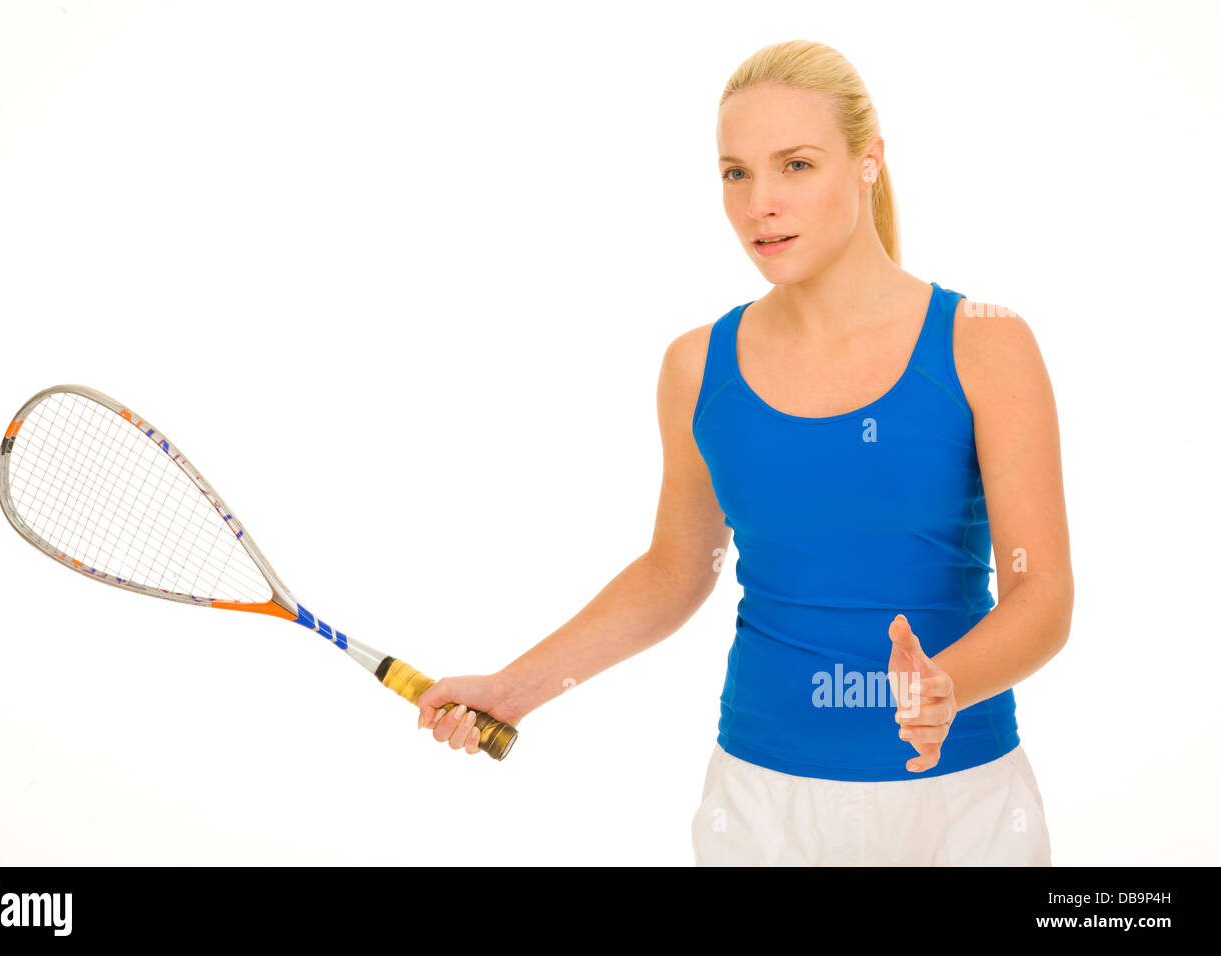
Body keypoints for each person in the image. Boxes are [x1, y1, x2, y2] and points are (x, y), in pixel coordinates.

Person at [414, 39, 1073, 866]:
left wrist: (948, 685)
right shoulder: (697, 367)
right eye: (735, 173)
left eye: (795, 165)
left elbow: (1041, 590)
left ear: (869, 162)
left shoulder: (984, 343)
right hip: (760, 808)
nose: (760, 202)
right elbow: (677, 570)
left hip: (963, 804)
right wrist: (512, 690)